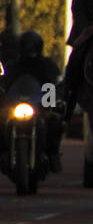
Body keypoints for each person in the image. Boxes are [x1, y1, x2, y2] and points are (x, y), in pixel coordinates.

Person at [1, 31, 64, 171]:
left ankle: (53, 155)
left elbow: (54, 83)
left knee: (55, 121)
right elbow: (5, 83)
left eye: (32, 47)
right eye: (27, 47)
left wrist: (53, 101)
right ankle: (3, 152)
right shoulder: (14, 65)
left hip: (39, 106)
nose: (30, 50)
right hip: (16, 105)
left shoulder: (47, 64)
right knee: (1, 120)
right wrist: (3, 94)